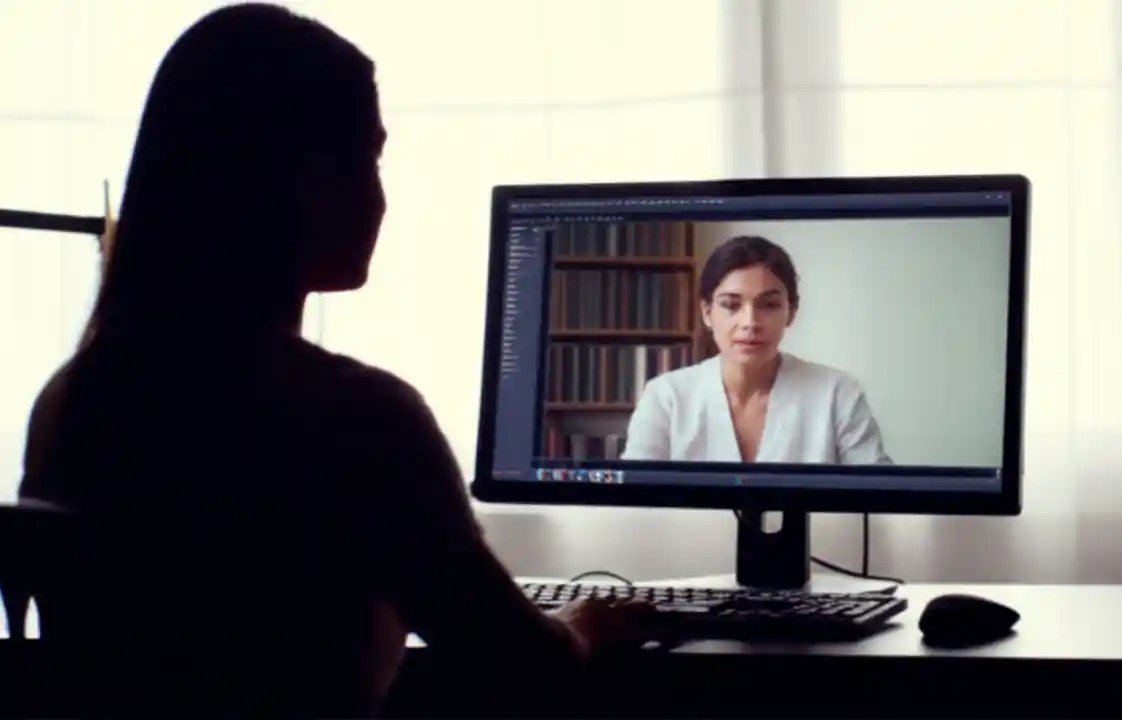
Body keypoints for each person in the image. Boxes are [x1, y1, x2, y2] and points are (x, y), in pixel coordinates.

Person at [18, 4, 649, 716]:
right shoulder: (360, 419)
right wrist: (590, 623)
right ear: (310, 183)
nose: (381, 197)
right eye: (371, 159)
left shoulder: (71, 399)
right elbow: (524, 663)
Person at [621, 235, 892, 465]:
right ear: (707, 313)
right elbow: (633, 502)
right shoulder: (666, 397)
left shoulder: (838, 394)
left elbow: (880, 499)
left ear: (791, 313)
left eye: (769, 305)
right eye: (731, 305)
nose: (750, 323)